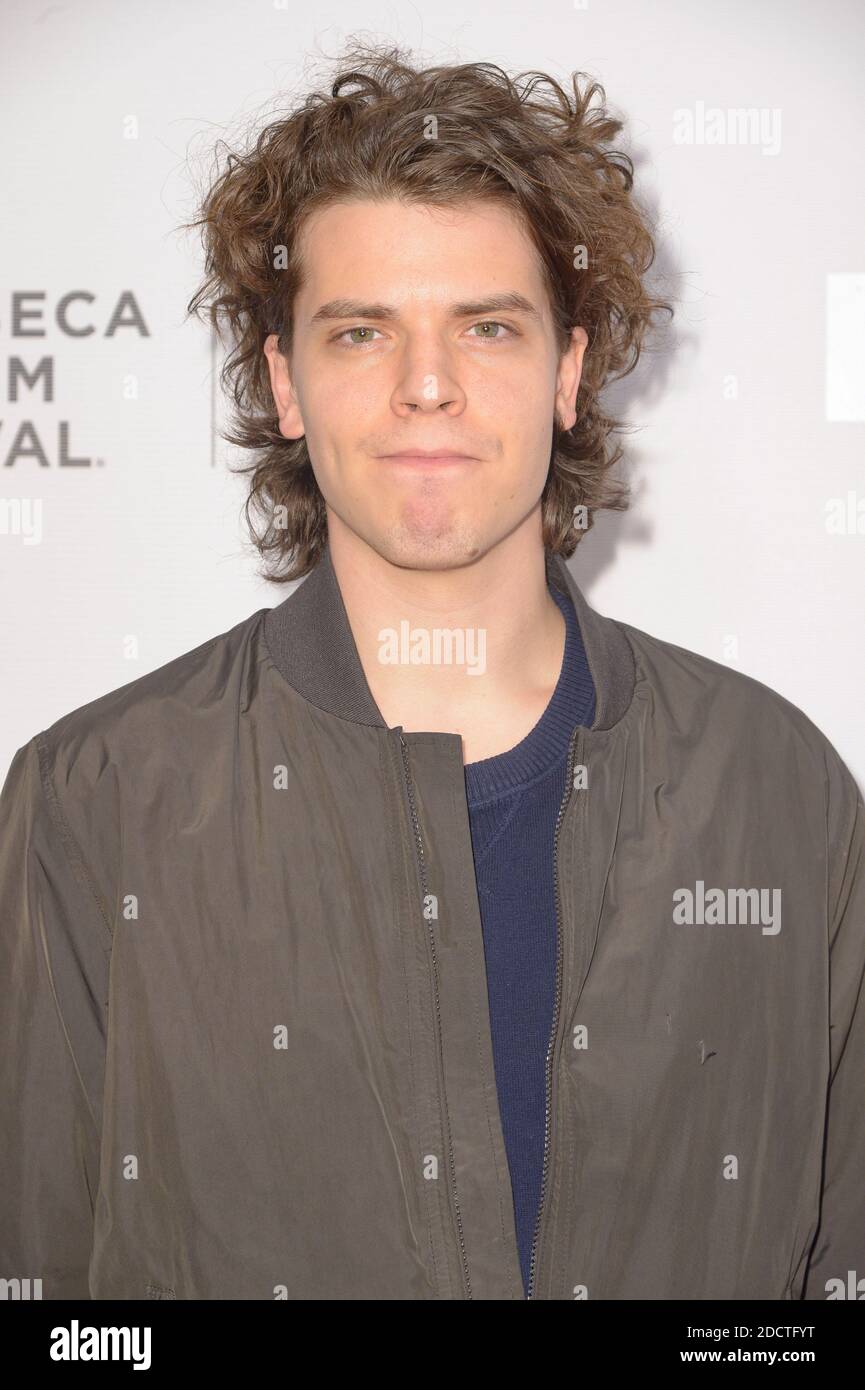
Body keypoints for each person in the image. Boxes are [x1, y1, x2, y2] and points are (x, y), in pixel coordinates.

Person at [1, 41, 862, 1302]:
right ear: (285, 383)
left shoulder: (775, 790)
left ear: (568, 371)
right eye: (361, 333)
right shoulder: (93, 803)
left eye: (488, 326)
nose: (426, 387)